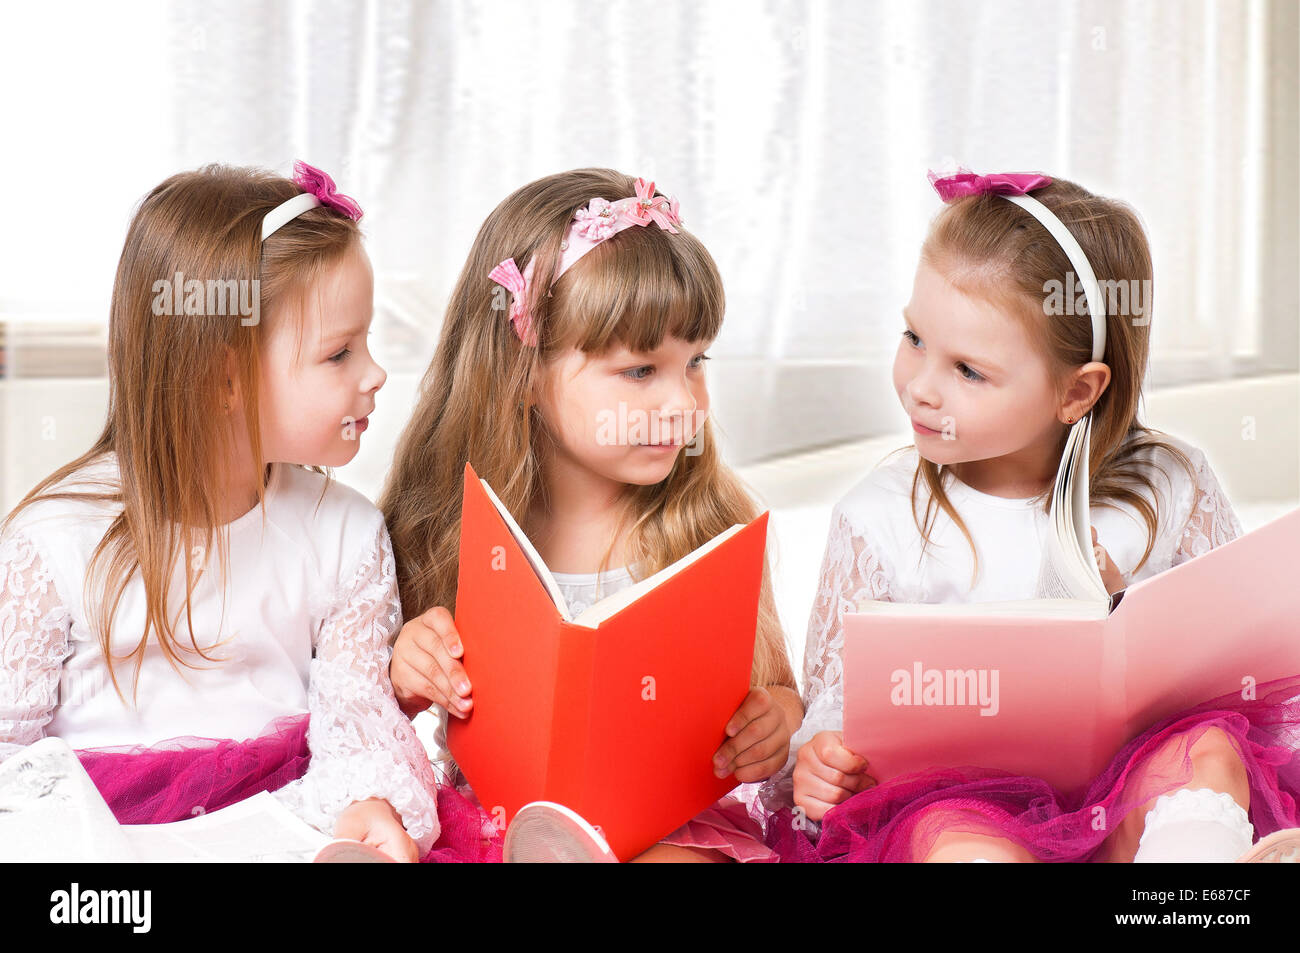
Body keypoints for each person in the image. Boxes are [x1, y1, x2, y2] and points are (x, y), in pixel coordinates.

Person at [761, 167, 1300, 863]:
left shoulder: (1169, 485)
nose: (921, 386)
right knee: (959, 844)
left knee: (1210, 752)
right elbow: (835, 715)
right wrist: (822, 763)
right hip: (958, 806)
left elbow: (1240, 670)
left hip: (1124, 802)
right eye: (915, 337)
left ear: (1076, 391)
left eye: (968, 370)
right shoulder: (881, 517)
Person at [0, 161, 441, 861]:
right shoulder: (54, 539)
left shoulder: (345, 534)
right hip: (103, 845)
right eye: (339, 354)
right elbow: (8, 758)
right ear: (222, 379)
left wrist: (364, 801)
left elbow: (354, 718)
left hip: (281, 824)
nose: (374, 374)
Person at [380, 168, 803, 862]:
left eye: (695, 361)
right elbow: (369, 710)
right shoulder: (455, 528)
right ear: (523, 375)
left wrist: (774, 721)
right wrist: (407, 669)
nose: (683, 402)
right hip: (497, 827)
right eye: (641, 371)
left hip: (667, 828)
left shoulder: (708, 523)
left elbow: (778, 691)